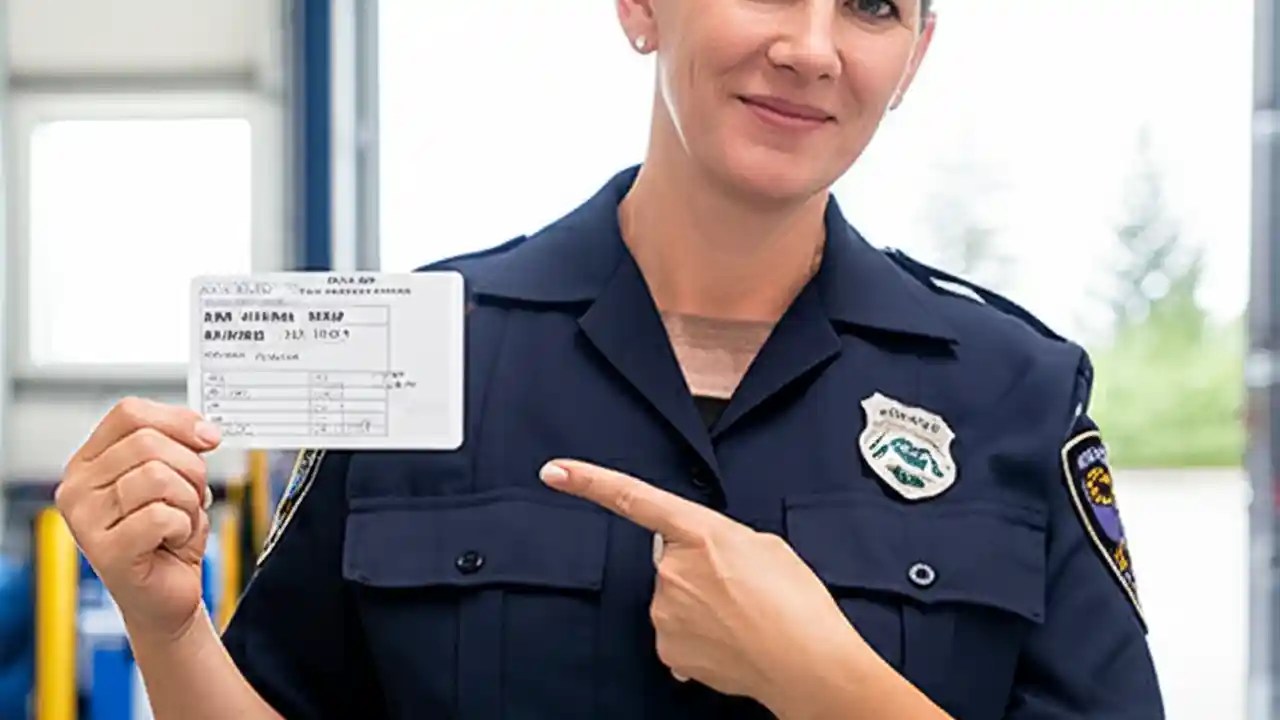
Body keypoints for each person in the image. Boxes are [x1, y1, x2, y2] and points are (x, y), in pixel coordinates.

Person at [53, 0, 1165, 718]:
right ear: (641, 7)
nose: (812, 48)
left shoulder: (1011, 389)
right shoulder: (420, 348)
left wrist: (829, 686)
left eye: (872, 8)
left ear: (913, 53)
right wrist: (166, 623)